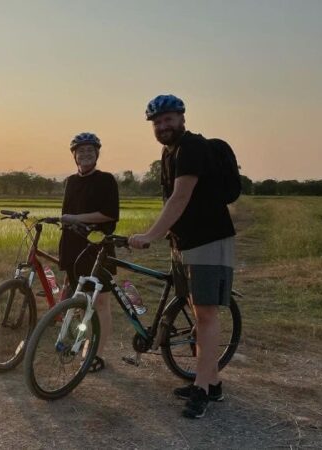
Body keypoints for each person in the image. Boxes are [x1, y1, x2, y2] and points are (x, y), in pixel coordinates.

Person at [129, 94, 236, 419]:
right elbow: (170, 200)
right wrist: (168, 237)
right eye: (158, 122)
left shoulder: (192, 148)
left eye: (168, 119)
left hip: (208, 239)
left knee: (205, 316)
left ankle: (202, 390)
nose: (163, 126)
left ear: (182, 118)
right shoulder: (168, 152)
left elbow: (180, 197)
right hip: (184, 242)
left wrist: (151, 235)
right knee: (195, 310)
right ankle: (212, 382)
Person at [59, 132, 120, 372]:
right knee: (76, 298)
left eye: (90, 150)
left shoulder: (106, 180)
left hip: (98, 246)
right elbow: (66, 216)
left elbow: (110, 214)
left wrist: (76, 218)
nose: (85, 154)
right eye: (80, 150)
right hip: (73, 246)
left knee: (101, 301)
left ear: (97, 154)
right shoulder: (71, 181)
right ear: (74, 155)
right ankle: (74, 340)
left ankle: (95, 354)